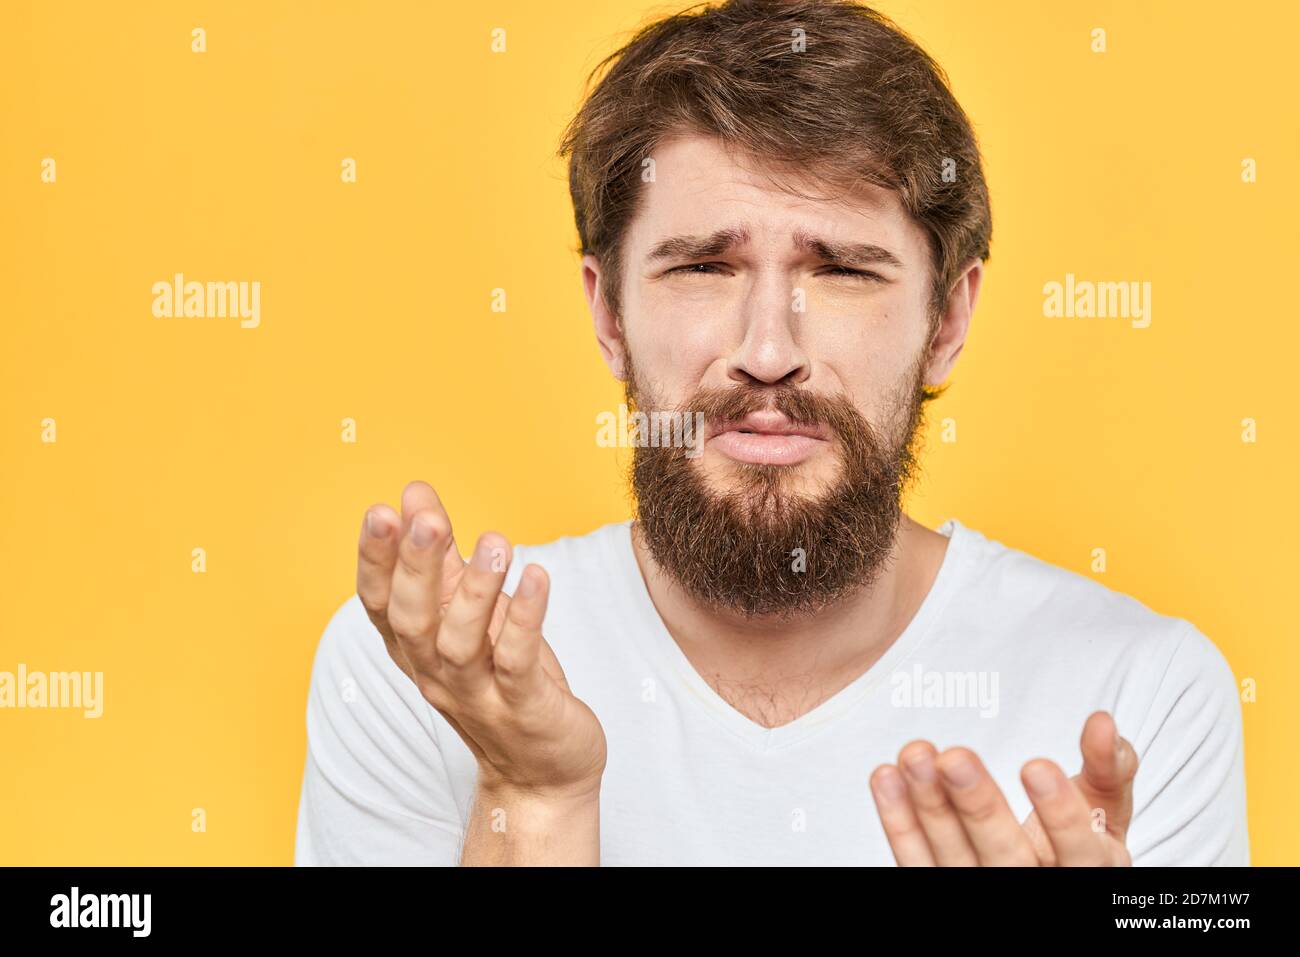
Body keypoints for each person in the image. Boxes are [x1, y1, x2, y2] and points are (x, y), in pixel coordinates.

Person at [294, 0, 1248, 866]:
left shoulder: (1146, 695)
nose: (767, 350)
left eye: (841, 270)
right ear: (609, 316)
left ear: (946, 323)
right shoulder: (429, 676)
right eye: (704, 266)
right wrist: (530, 794)